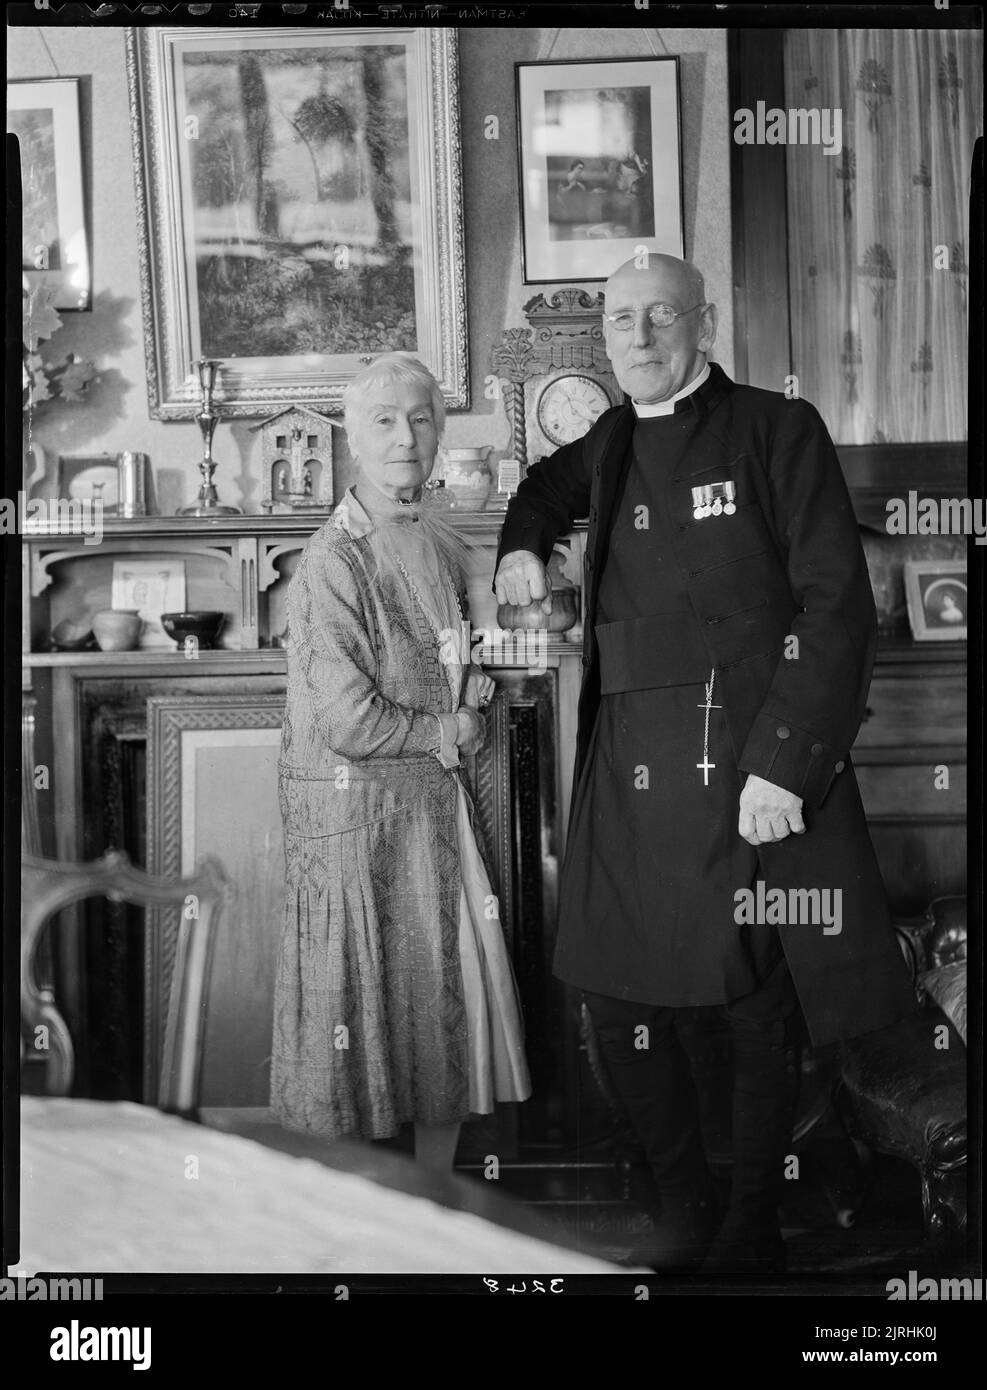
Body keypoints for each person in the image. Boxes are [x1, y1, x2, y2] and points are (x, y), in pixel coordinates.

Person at [493, 253, 916, 1270]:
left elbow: (837, 606)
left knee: (750, 992)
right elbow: (542, 490)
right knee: (616, 988)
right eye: (621, 319)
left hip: (741, 750)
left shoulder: (779, 429)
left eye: (660, 317)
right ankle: (681, 1201)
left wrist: (784, 765)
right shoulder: (607, 437)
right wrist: (519, 543)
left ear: (705, 324)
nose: (638, 336)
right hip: (628, 750)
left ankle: (748, 1220)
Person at [272, 353, 531, 1172]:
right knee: (357, 1015)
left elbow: (450, 646)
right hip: (358, 817)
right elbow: (345, 716)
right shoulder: (330, 560)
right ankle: (351, 1229)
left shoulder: (438, 537)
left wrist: (472, 677)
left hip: (425, 807)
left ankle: (428, 1205)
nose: (404, 437)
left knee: (437, 997)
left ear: (442, 431)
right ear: (352, 438)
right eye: (383, 421)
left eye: (420, 418)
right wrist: (449, 727)